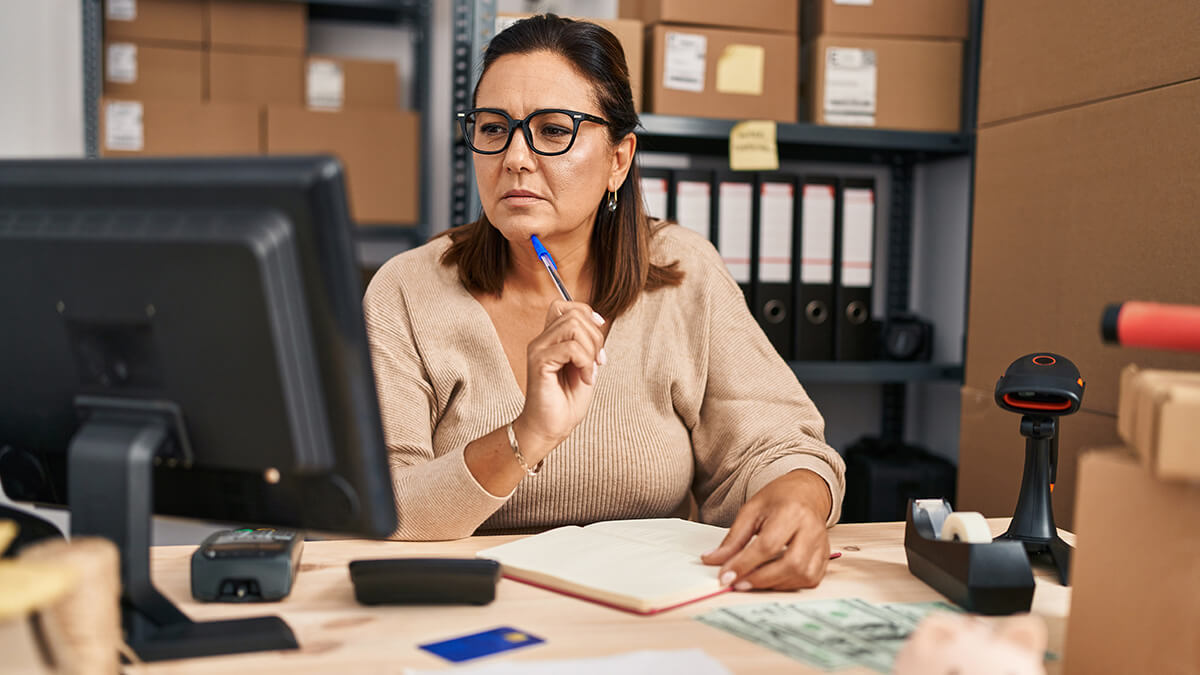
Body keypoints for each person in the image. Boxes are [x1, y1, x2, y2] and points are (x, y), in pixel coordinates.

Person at [363, 14, 846, 591]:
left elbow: (780, 442)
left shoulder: (685, 271)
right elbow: (383, 508)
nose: (515, 157)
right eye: (494, 128)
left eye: (553, 129)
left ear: (619, 158)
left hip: (650, 613)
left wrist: (797, 494)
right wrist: (528, 435)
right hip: (470, 614)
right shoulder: (405, 290)